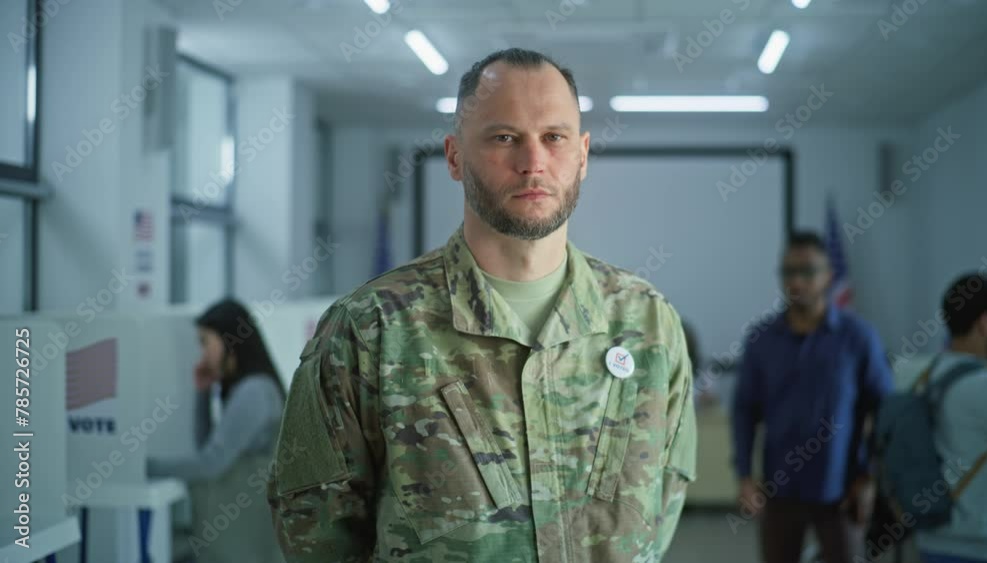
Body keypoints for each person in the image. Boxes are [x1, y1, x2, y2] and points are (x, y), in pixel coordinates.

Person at [267, 48, 696, 563]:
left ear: (582, 155)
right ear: (454, 157)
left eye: (553, 138)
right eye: (504, 137)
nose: (533, 161)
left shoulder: (647, 322)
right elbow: (316, 536)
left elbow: (662, 506)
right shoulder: (370, 330)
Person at [731, 231, 894, 563]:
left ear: (828, 276)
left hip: (842, 489)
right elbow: (744, 410)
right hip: (779, 489)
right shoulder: (763, 339)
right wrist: (745, 476)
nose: (797, 281)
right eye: (788, 272)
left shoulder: (856, 337)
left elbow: (885, 411)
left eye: (807, 271)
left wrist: (871, 478)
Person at [147, 299, 286, 563]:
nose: (202, 353)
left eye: (204, 342)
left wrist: (145, 467)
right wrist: (203, 392)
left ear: (229, 340)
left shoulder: (254, 392)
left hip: (247, 536)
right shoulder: (251, 387)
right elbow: (209, 448)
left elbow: (211, 463)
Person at [914, 273, 987, 562]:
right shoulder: (986, 388)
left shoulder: (927, 375)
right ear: (985, 323)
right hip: (975, 548)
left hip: (931, 539)